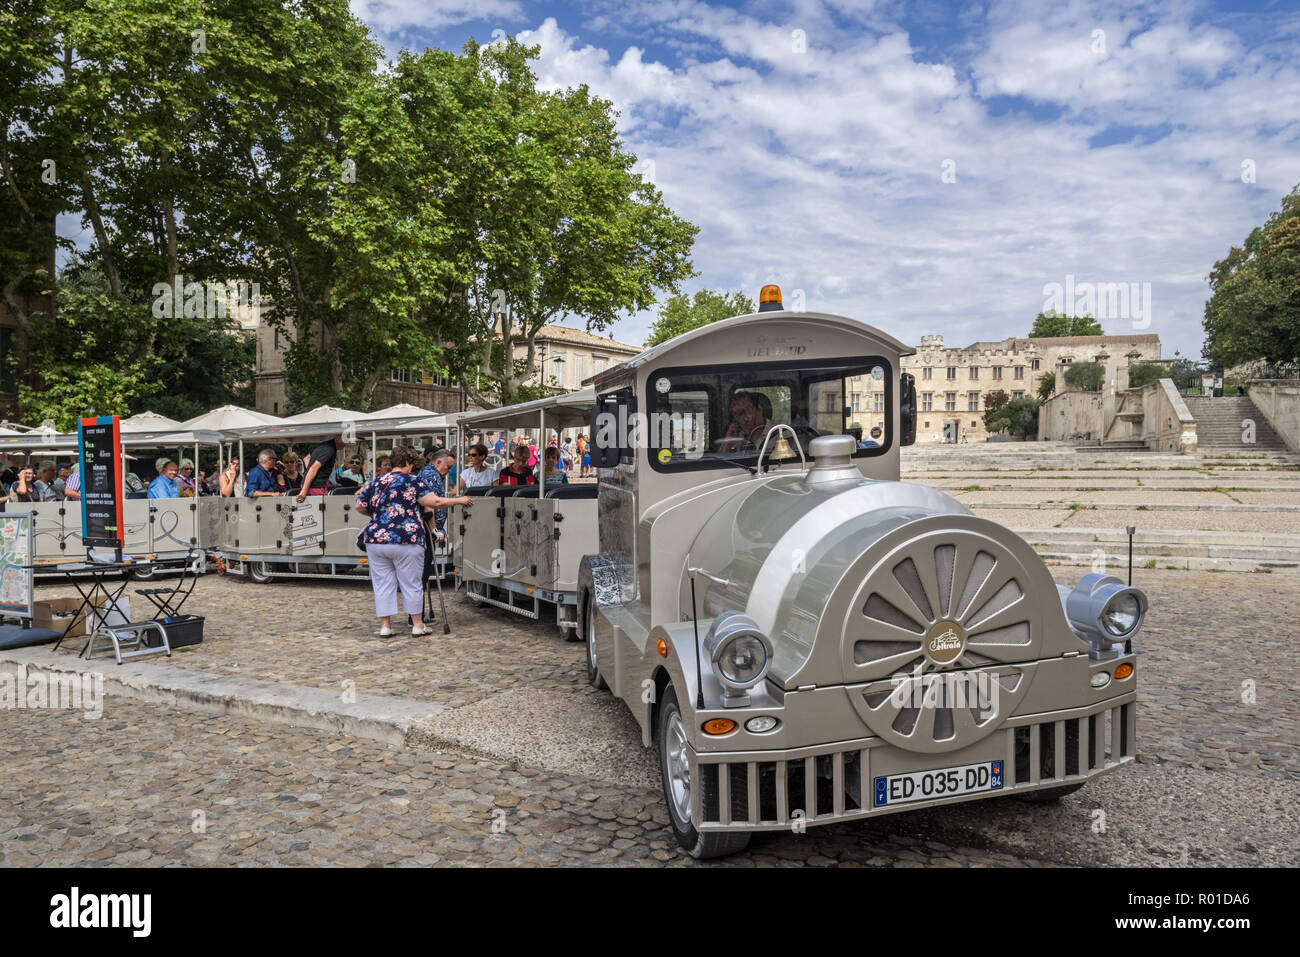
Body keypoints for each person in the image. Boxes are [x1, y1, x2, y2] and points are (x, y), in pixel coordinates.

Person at [354, 445, 472, 637]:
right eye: (411, 464)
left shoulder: (375, 482)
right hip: (407, 538)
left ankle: (386, 626)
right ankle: (417, 625)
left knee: (383, 583)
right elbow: (435, 503)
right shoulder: (413, 481)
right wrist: (459, 500)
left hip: (376, 540)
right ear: (407, 463)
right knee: (412, 582)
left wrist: (379, 516)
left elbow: (359, 505)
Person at [417, 448, 456, 532]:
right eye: (448, 467)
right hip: (428, 529)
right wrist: (434, 530)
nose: (449, 471)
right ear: (438, 462)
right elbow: (429, 505)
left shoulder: (434, 474)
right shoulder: (430, 475)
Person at [297, 435, 343, 502]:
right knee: (324, 510)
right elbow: (313, 468)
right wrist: (304, 491)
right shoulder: (329, 449)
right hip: (315, 488)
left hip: (316, 486)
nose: (346, 444)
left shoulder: (326, 446)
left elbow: (309, 461)